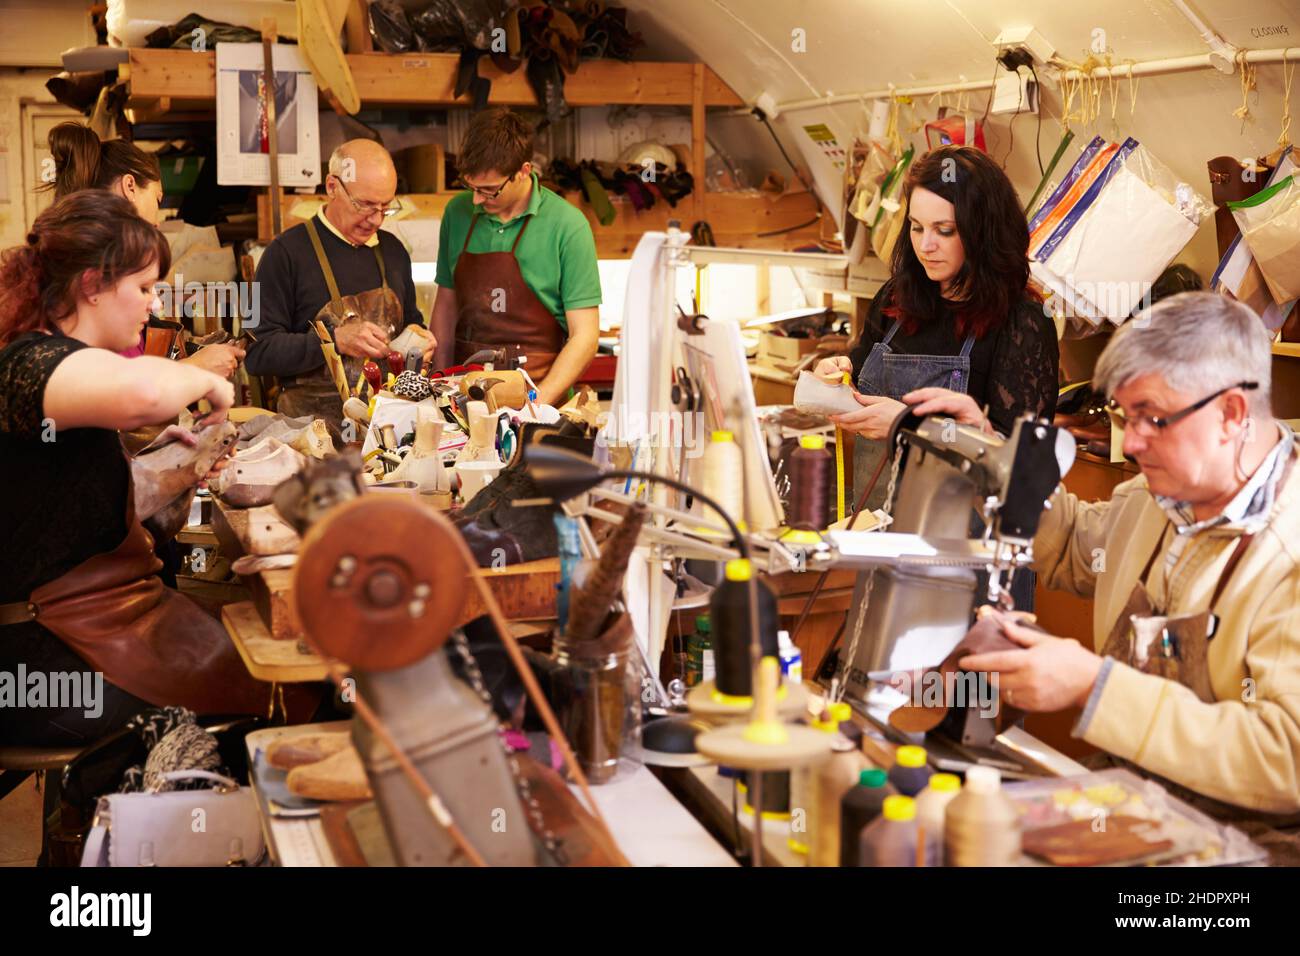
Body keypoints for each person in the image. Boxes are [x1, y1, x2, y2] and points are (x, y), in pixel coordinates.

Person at [931, 292, 1300, 858]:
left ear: (1230, 414)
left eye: (1153, 418)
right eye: (1122, 417)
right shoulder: (1158, 499)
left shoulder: (1287, 553)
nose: (1129, 443)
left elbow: (1286, 759)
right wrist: (988, 450)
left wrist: (1093, 685)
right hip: (1135, 801)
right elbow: (1080, 546)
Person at [0, 191, 312, 748]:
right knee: (276, 695)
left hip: (94, 620)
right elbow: (145, 392)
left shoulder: (60, 363)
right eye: (143, 288)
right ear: (92, 285)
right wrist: (209, 379)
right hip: (44, 655)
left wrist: (165, 466)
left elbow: (64, 512)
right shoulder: (30, 363)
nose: (153, 302)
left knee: (276, 658)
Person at [815, 145, 1059, 511]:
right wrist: (835, 375)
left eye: (944, 231)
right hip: (877, 536)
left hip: (969, 551)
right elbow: (858, 383)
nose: (925, 246)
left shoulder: (1023, 322)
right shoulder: (895, 300)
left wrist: (906, 425)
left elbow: (1026, 467)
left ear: (982, 231)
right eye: (916, 228)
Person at [245, 139, 433, 428]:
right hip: (311, 433)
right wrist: (334, 340)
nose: (377, 219)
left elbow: (411, 322)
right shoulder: (282, 254)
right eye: (365, 205)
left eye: (386, 207)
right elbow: (257, 354)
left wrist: (420, 340)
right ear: (332, 187)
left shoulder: (394, 251)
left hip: (388, 427)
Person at [45, 121, 244, 379]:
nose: (158, 219)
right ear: (130, 187)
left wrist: (189, 351)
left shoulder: (87, 250)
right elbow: (114, 383)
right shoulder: (98, 262)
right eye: (157, 199)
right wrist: (195, 366)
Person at [430, 108, 601, 405]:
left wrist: (536, 403)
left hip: (540, 395)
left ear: (523, 171)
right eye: (470, 187)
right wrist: (438, 390)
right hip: (463, 396)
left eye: (489, 190)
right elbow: (446, 306)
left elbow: (585, 336)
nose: (476, 200)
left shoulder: (568, 226)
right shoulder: (457, 213)